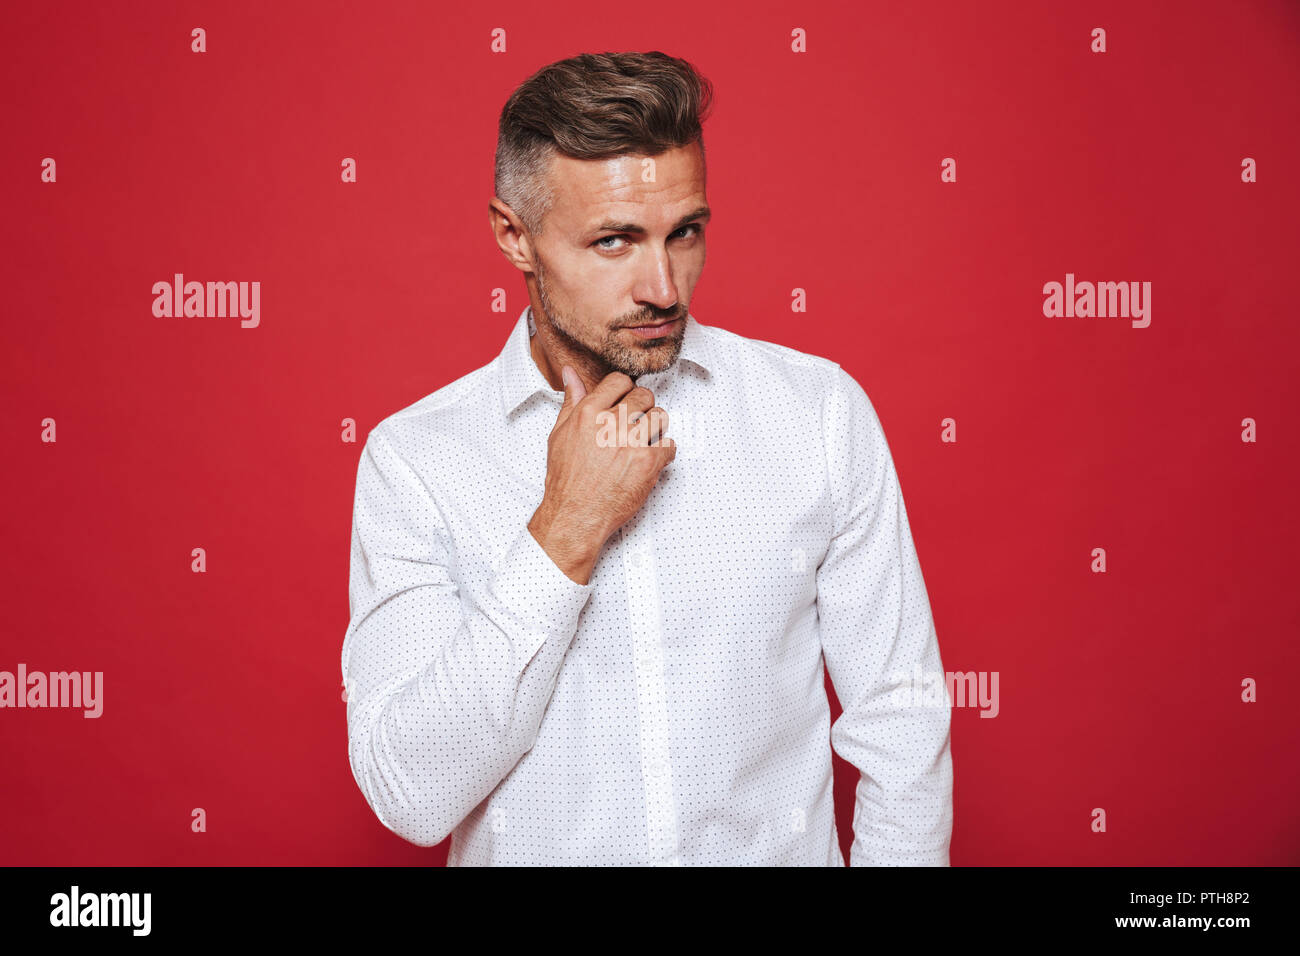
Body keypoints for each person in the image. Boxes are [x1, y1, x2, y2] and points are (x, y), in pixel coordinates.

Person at [340, 50, 953, 866]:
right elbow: (411, 794)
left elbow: (900, 720)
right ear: (513, 236)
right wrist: (565, 529)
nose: (663, 286)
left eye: (685, 233)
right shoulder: (416, 462)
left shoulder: (816, 413)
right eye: (614, 242)